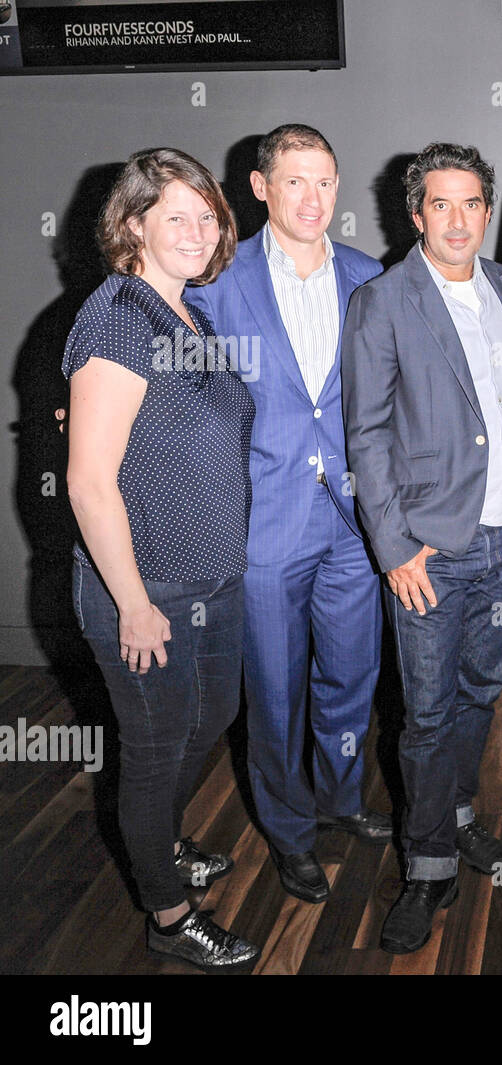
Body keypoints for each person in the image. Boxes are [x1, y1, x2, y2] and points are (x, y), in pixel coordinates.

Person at [341, 143, 502, 954]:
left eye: (472, 204)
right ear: (414, 214)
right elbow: (367, 434)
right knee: (424, 715)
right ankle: (426, 865)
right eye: (441, 205)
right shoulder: (382, 302)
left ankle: (457, 817)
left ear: (485, 211)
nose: (458, 220)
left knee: (481, 691)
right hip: (429, 546)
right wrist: (395, 548)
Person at [63, 147, 259, 969]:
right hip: (148, 590)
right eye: (173, 214)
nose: (195, 228)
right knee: (152, 750)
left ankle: (162, 846)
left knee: (207, 721)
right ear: (132, 224)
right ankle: (169, 916)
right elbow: (88, 482)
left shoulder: (192, 316)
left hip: (213, 577)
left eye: (205, 214)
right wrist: (135, 603)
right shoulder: (118, 316)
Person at [187, 125, 390, 905]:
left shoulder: (371, 277)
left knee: (351, 674)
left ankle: (340, 798)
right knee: (273, 691)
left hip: (351, 522)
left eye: (326, 181)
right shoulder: (216, 282)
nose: (313, 198)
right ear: (261, 187)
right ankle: (289, 829)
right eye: (295, 181)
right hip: (263, 522)